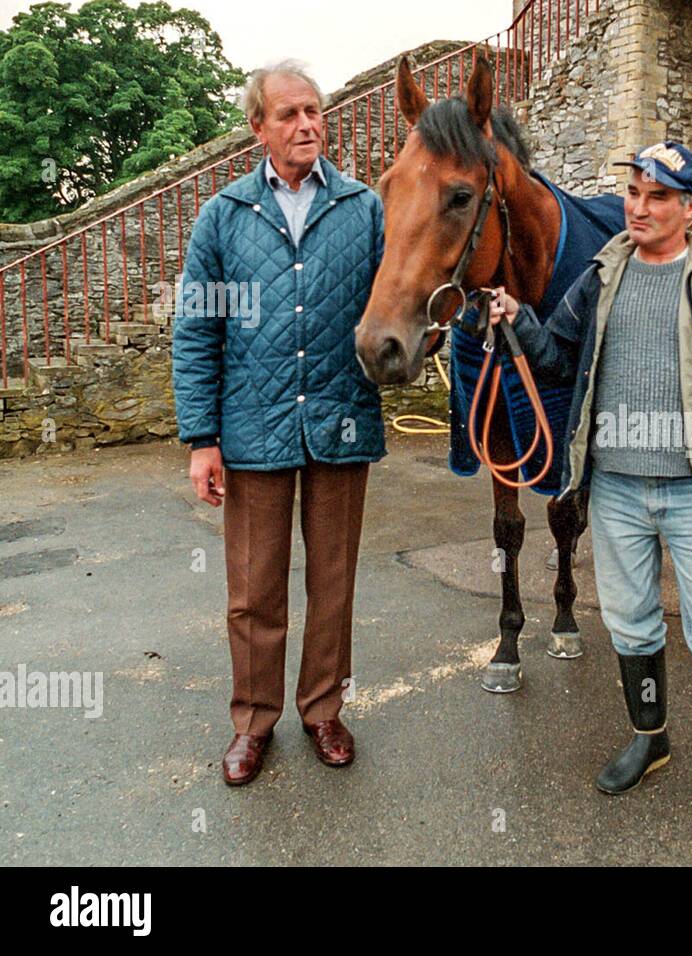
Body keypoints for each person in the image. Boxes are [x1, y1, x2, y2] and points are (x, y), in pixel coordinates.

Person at [487, 141, 692, 846]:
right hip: (616, 486)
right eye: (634, 193)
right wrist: (516, 320)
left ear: (691, 206)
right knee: (629, 622)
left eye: (658, 197)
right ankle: (650, 739)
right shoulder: (601, 277)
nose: (640, 208)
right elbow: (559, 357)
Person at [172, 61, 386, 786]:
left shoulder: (363, 208)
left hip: (341, 423)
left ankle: (323, 709)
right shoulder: (225, 217)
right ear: (258, 127)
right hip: (253, 429)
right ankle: (253, 722)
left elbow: (400, 304)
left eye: (315, 111)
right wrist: (203, 439)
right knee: (254, 590)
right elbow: (197, 332)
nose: (306, 125)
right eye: (289, 114)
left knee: (334, 581)